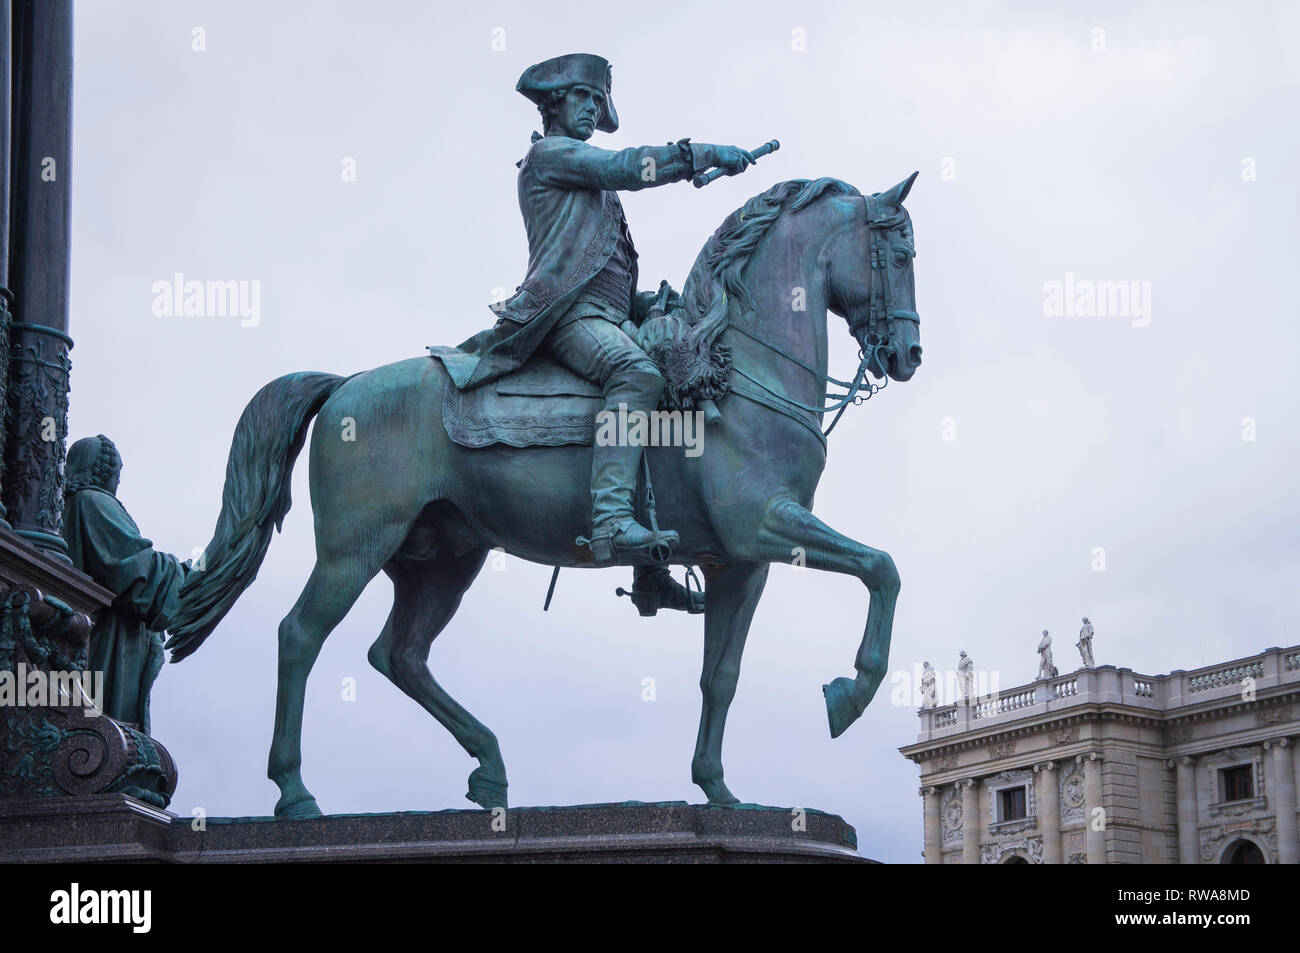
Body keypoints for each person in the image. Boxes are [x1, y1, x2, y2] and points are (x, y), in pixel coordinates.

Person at [436, 53, 756, 603]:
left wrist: (647, 304)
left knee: (677, 380)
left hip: (606, 314)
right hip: (564, 318)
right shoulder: (552, 156)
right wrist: (699, 154)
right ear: (554, 105)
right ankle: (609, 522)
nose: (592, 110)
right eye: (583, 99)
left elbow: (597, 269)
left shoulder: (582, 177)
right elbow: (628, 166)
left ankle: (649, 572)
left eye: (598, 101)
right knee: (636, 375)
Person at [61, 435, 190, 734]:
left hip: (98, 636)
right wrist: (186, 573)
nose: (118, 481)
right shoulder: (92, 501)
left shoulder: (76, 503)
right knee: (106, 736)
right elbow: (131, 570)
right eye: (117, 472)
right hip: (110, 638)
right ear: (102, 469)